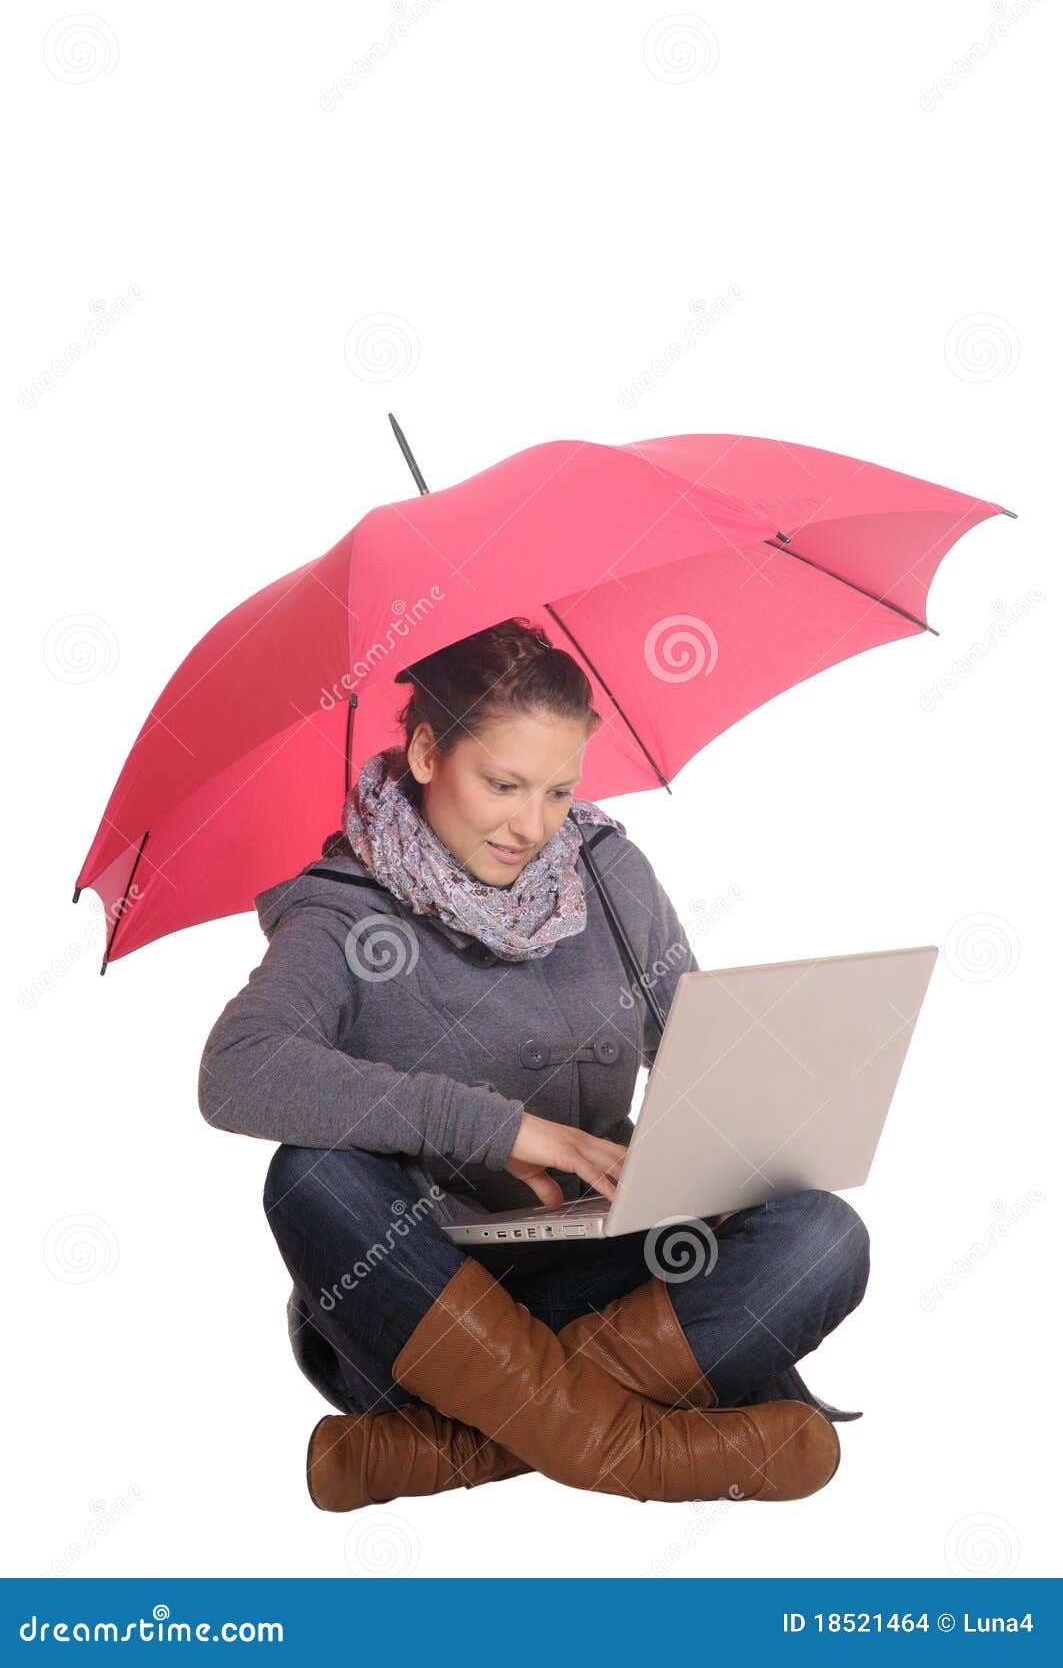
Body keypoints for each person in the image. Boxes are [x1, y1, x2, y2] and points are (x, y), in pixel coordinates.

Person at [198, 617, 870, 1510]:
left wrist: (715, 1157)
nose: (531, 825)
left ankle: (450, 1448)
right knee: (309, 1177)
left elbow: (699, 1057)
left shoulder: (605, 870)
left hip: (608, 1262)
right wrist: (500, 1128)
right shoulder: (342, 912)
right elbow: (235, 1070)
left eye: (558, 791)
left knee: (823, 1235)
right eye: (503, 784)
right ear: (429, 752)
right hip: (421, 1295)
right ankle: (641, 1446)